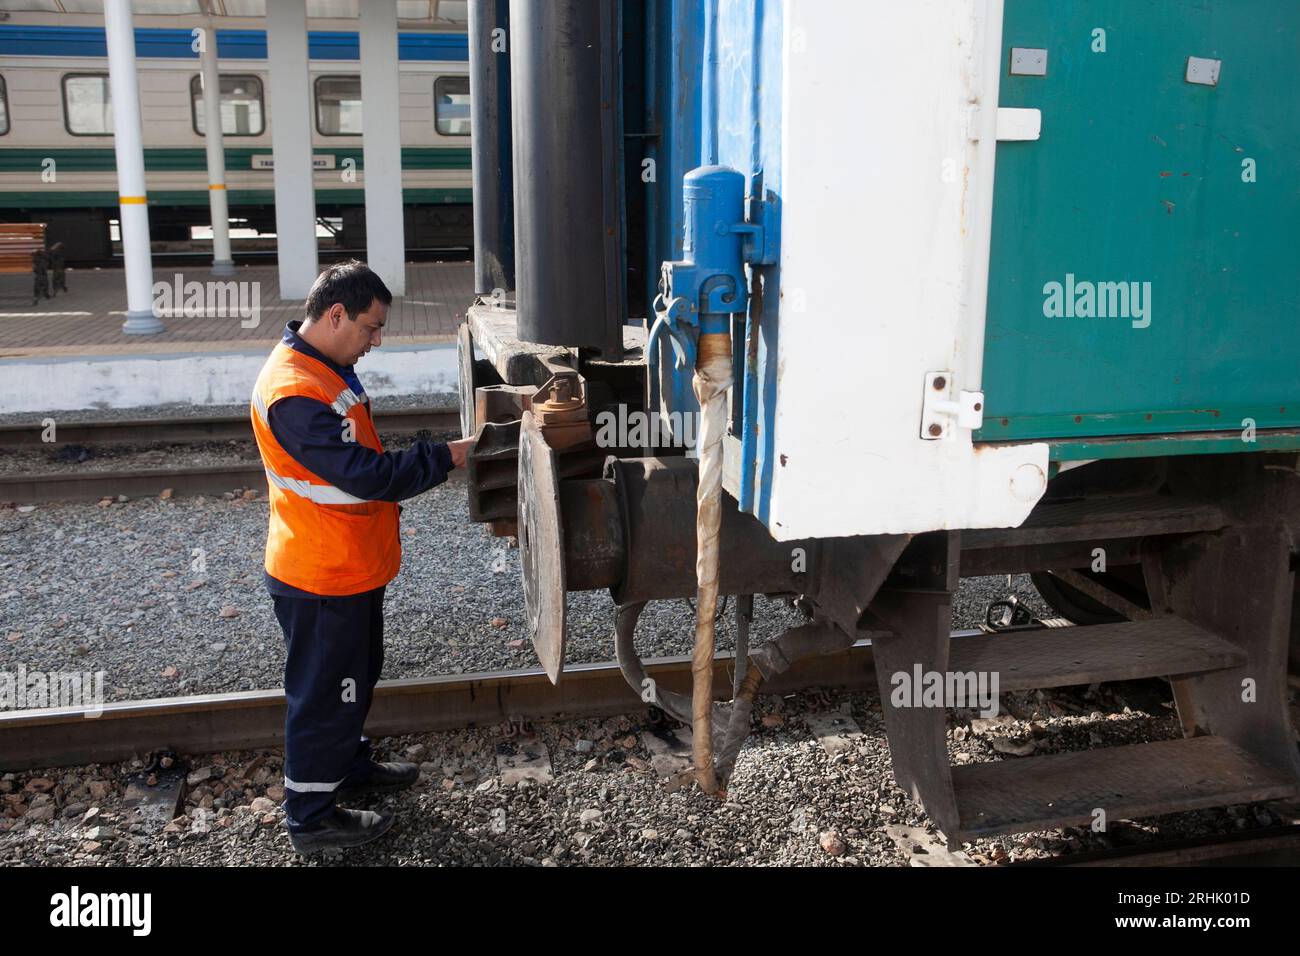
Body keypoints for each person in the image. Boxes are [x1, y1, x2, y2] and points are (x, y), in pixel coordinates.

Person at [248, 260, 473, 854]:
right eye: (372, 328)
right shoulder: (294, 390)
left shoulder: (325, 366)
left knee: (352, 679)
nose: (377, 341)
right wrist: (448, 455)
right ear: (336, 314)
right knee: (325, 694)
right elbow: (365, 476)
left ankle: (346, 767)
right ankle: (312, 819)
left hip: (346, 566)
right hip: (321, 575)